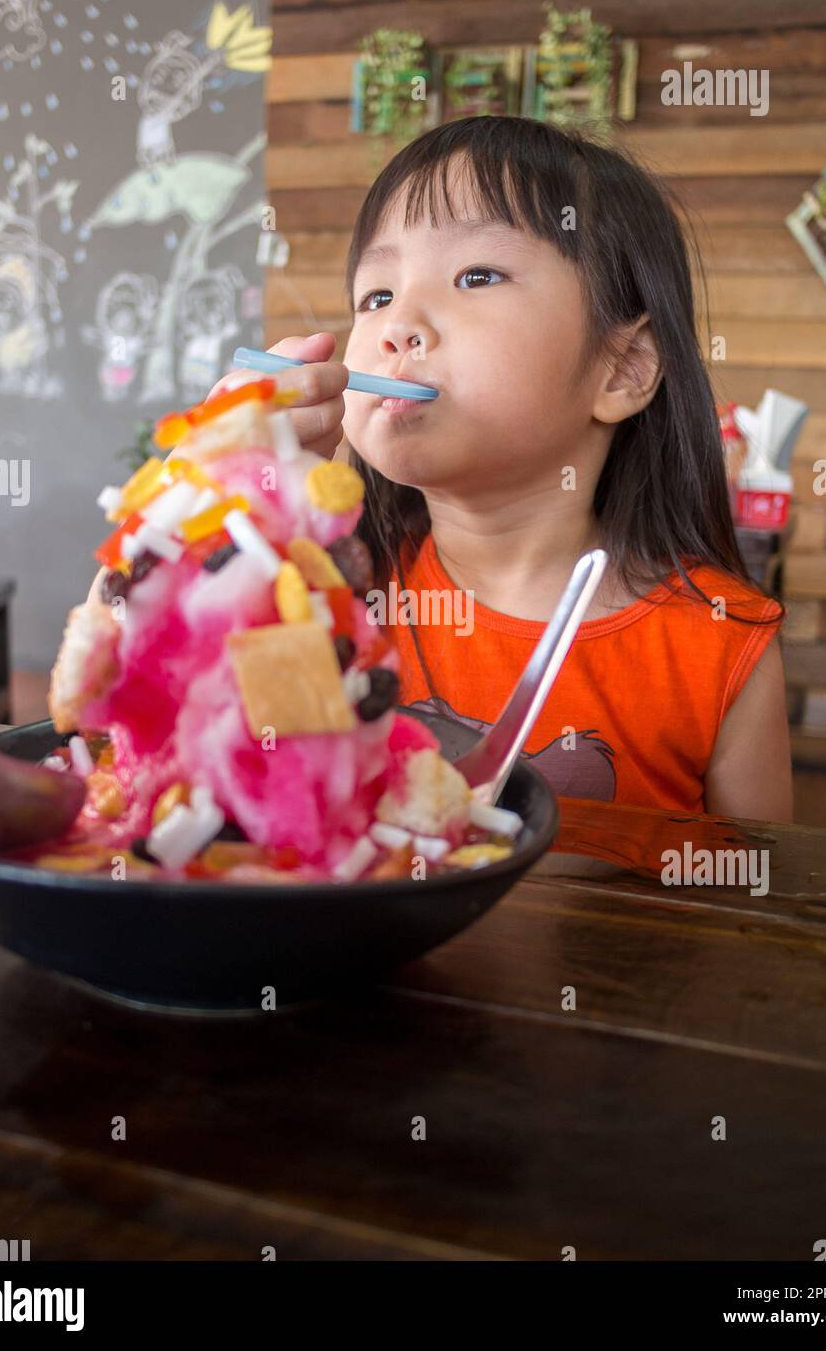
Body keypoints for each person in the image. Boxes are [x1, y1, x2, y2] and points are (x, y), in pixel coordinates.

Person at [210, 116, 794, 835]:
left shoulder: (720, 646)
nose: (399, 324)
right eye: (377, 296)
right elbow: (133, 737)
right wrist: (213, 513)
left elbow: (765, 913)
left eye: (476, 275)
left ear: (623, 369)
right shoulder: (324, 595)